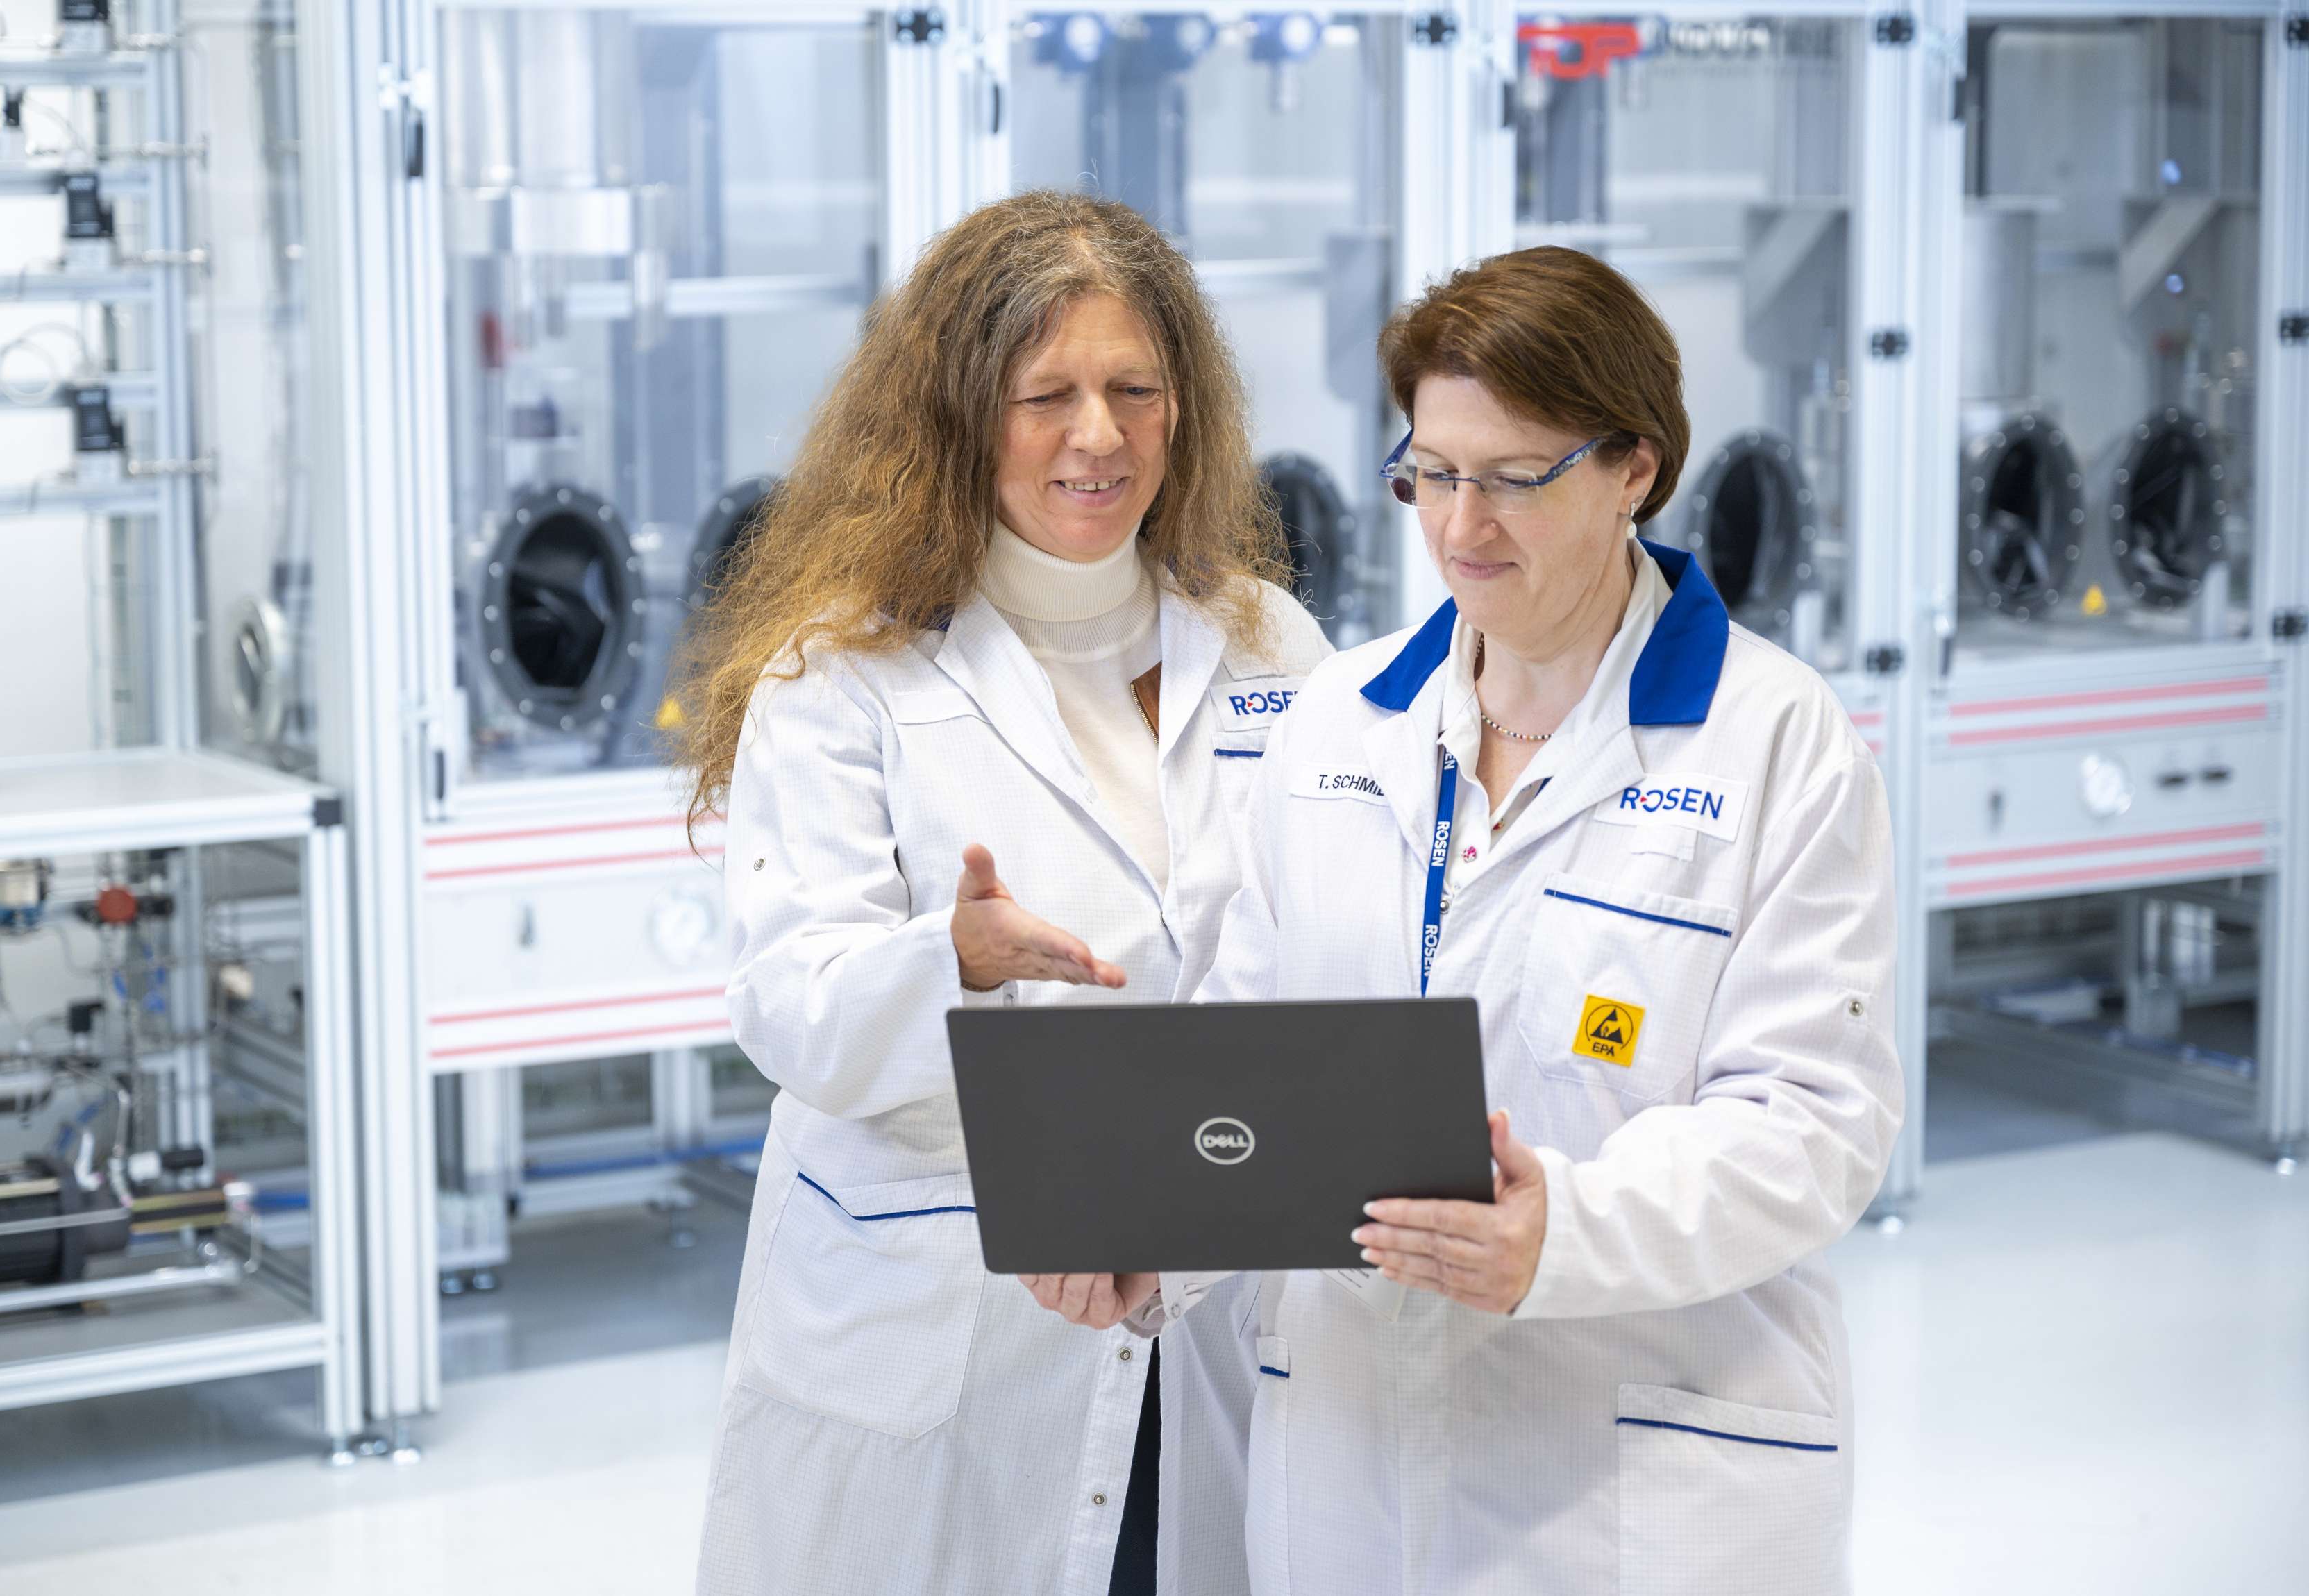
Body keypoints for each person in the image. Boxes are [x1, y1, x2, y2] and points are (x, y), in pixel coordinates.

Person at [1187, 246, 1903, 1592]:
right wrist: (1155, 1243)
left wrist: (1560, 1229)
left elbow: (1817, 1122)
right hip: (1347, 1438)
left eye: (1516, 478)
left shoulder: (1773, 742)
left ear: (1636, 467)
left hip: (1637, 1457)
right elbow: (1242, 1056)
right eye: (1434, 474)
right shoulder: (1337, 725)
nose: (1463, 527)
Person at [673, 190, 1331, 1596]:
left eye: (1133, 389)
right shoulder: (842, 671)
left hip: (1210, 1294)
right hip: (949, 1322)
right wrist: (948, 962)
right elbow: (790, 1003)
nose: (1098, 436)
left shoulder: (1267, 644)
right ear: (962, 415)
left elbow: (1321, 950)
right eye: (1047, 395)